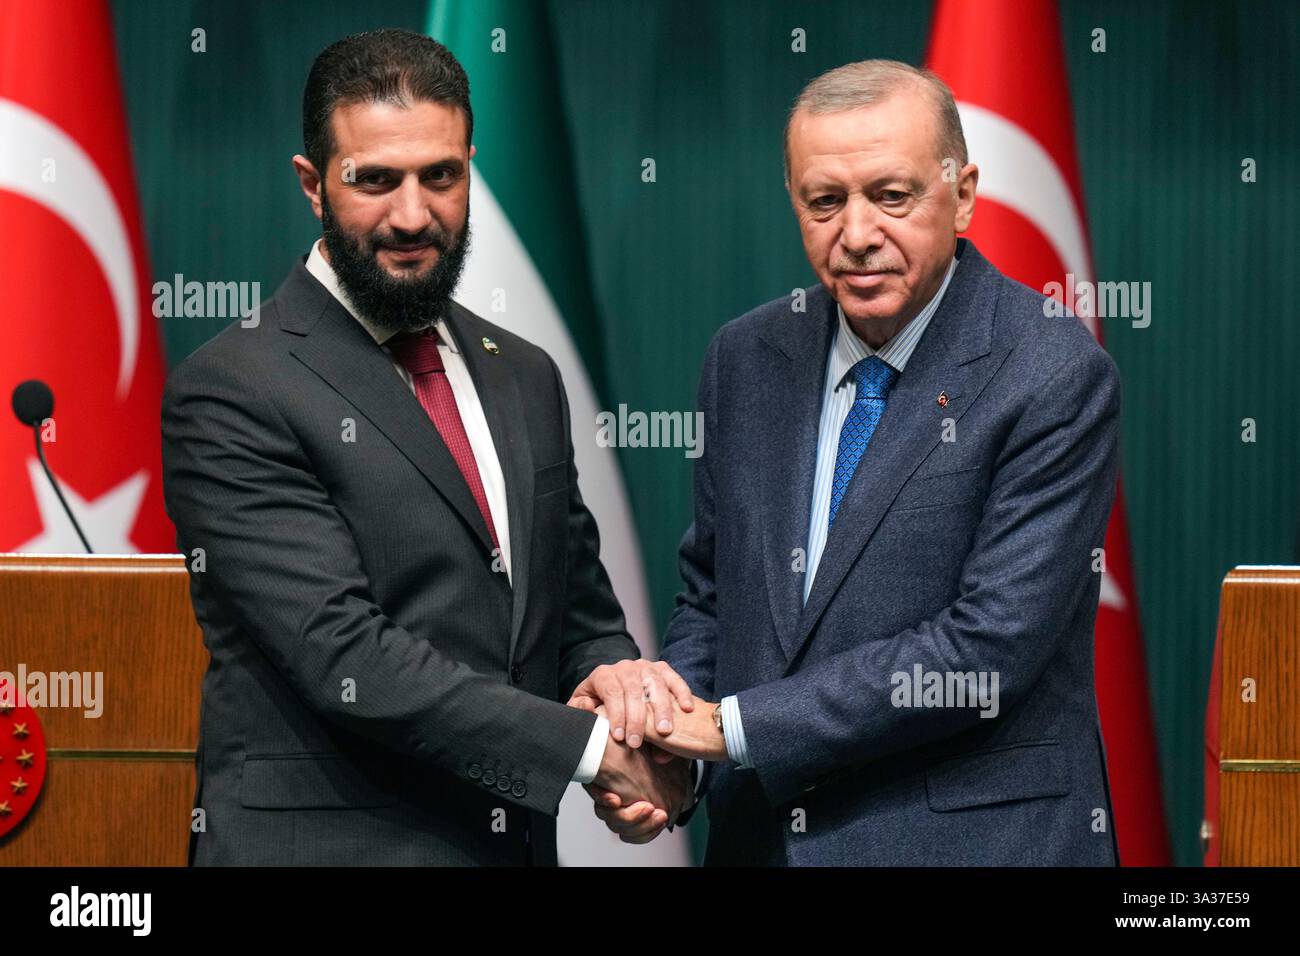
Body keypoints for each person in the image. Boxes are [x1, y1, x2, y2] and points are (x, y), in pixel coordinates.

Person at [161, 29, 690, 866]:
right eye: (375, 180)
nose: (413, 215)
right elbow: (346, 654)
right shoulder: (232, 388)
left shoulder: (524, 374)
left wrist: (623, 688)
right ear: (312, 185)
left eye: (440, 176)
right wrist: (594, 756)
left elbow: (576, 614)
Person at [581, 60, 1123, 865]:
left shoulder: (1051, 369)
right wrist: (667, 760)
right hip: (763, 843)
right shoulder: (746, 357)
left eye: (892, 196)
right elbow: (715, 598)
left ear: (963, 194)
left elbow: (986, 650)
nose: (859, 234)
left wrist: (727, 730)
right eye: (825, 201)